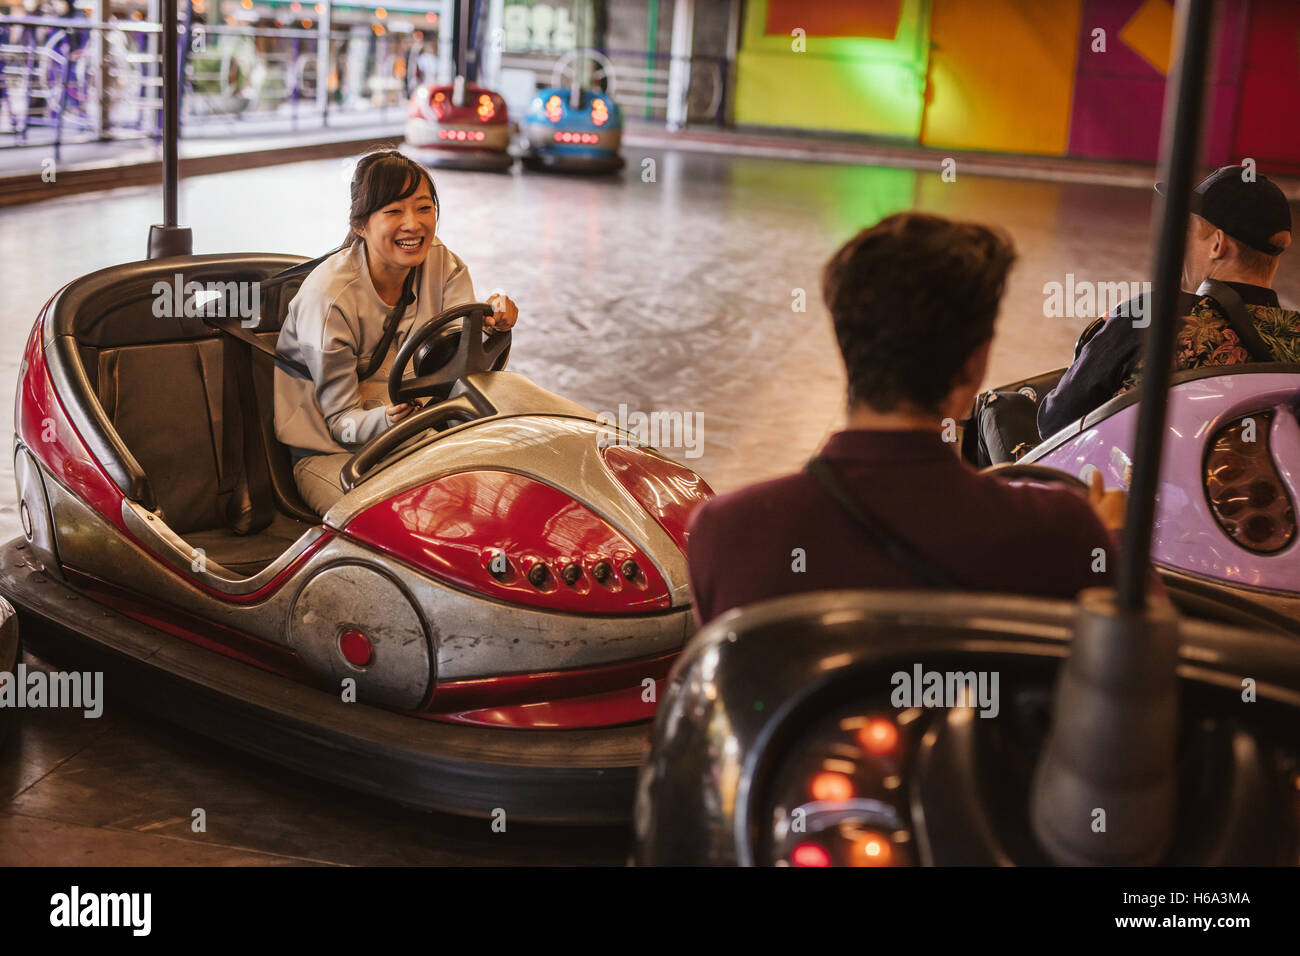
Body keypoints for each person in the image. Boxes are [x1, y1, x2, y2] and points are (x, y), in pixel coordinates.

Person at [687, 212, 1129, 626]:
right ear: (976, 363)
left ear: (845, 346)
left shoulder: (725, 534)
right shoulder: (1062, 531)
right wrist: (1113, 541)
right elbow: (1144, 672)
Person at [275, 149, 518, 515]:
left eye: (424, 208)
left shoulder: (440, 263)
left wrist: (490, 323)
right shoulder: (329, 299)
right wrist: (386, 418)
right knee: (405, 521)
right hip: (332, 454)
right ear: (360, 224)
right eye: (393, 211)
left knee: (501, 495)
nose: (413, 224)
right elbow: (342, 423)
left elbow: (456, 358)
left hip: (414, 434)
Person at [1038, 166, 1297, 438]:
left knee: (999, 411)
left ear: (1217, 245)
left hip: (1128, 476)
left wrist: (1101, 335)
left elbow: (1053, 422)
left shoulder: (1151, 316)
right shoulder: (1293, 338)